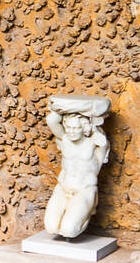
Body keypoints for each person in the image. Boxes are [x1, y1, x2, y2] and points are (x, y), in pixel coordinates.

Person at [44, 98, 110, 239]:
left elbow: (103, 106)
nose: (71, 132)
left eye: (76, 128)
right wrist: (66, 106)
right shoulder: (64, 140)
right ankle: (70, 217)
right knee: (51, 228)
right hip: (63, 189)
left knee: (69, 231)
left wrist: (90, 111)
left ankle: (84, 215)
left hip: (83, 191)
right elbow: (52, 119)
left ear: (84, 128)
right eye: (69, 128)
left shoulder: (96, 142)